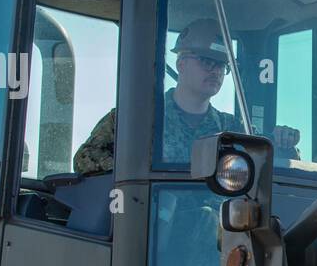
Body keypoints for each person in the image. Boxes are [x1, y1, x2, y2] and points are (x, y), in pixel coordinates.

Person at [73, 17, 300, 173]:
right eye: (206, 61)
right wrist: (138, 171)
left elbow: (268, 165)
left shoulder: (232, 128)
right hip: (152, 228)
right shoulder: (139, 117)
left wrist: (285, 143)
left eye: (222, 66)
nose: (215, 71)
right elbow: (85, 158)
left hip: (215, 231)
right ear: (181, 64)